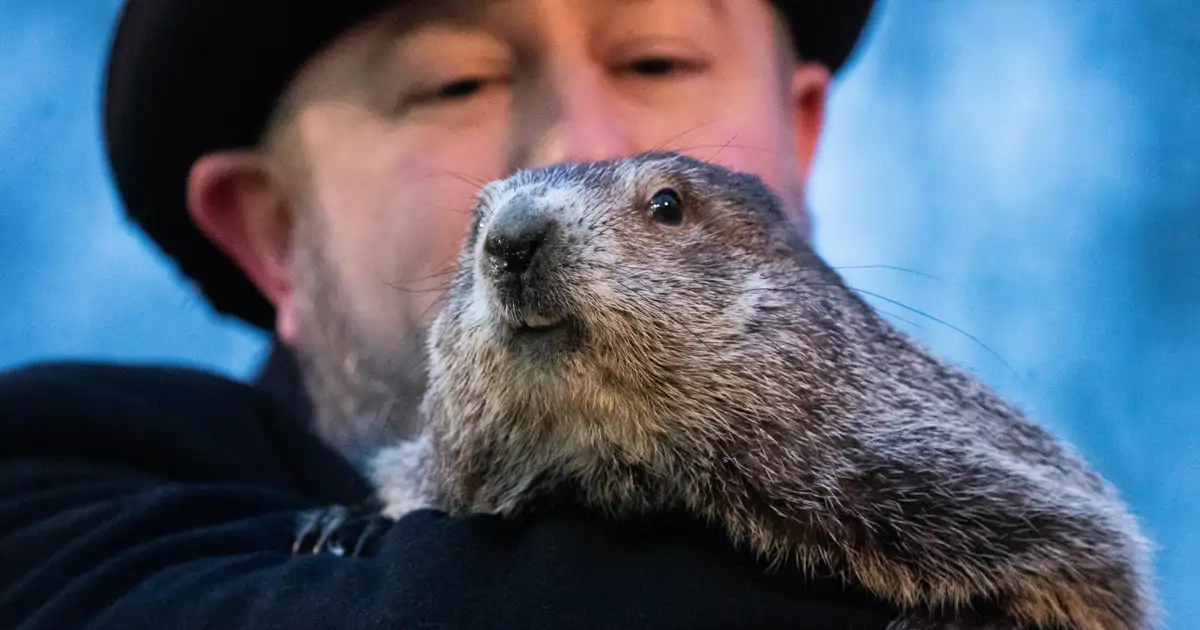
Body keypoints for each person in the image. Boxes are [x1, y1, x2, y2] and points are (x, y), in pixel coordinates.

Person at [0, 0, 901, 628]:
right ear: (275, 231)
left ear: (803, 134)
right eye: (454, 84)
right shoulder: (61, 474)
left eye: (656, 60)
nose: (578, 149)